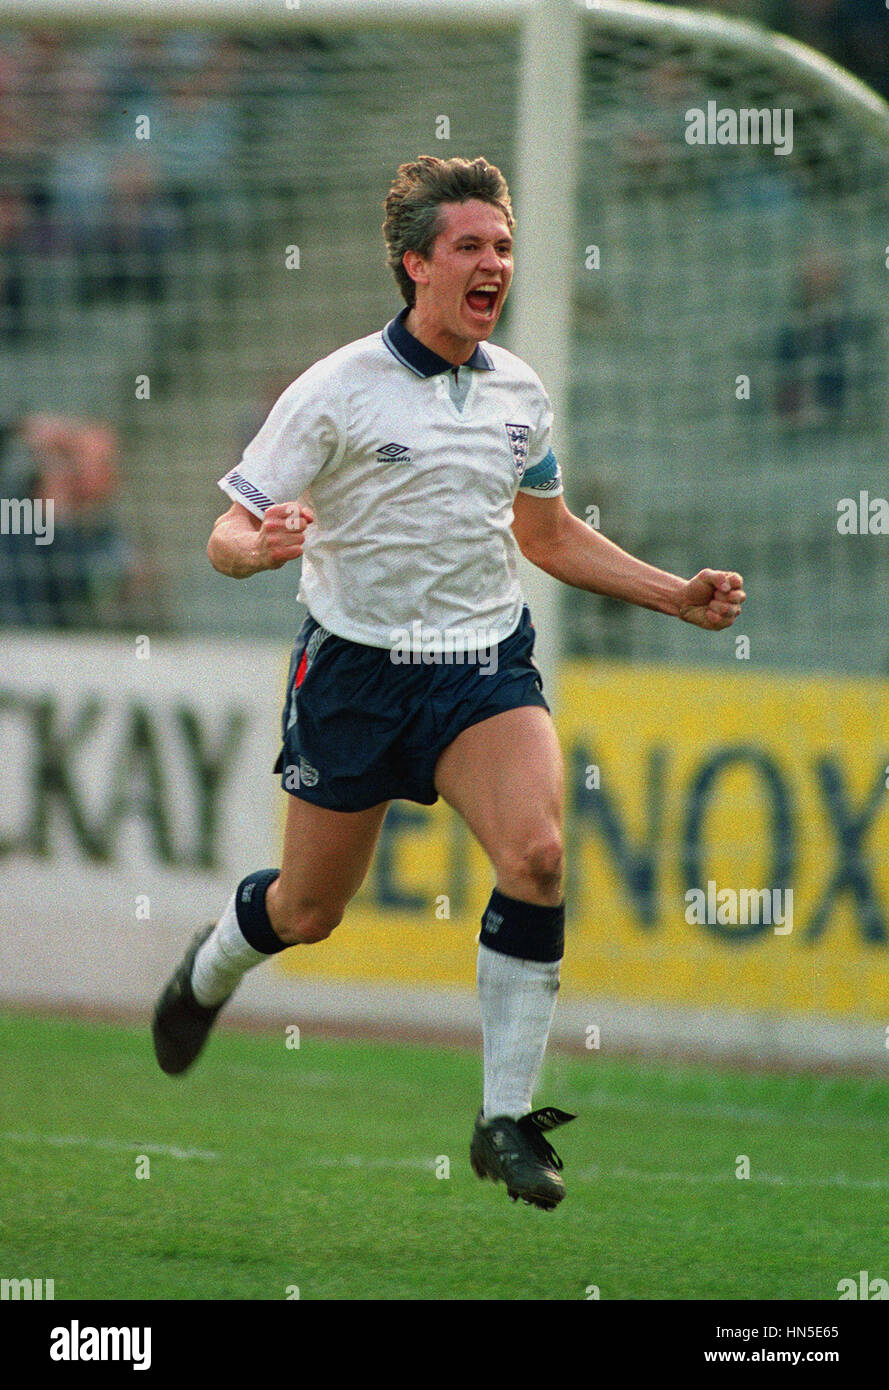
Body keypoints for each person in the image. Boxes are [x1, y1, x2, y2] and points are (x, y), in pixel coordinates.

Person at [152, 155, 745, 1211]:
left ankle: (504, 1118)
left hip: (481, 669)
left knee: (540, 852)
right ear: (414, 263)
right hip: (355, 677)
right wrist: (256, 549)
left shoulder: (519, 392)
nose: (492, 265)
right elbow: (226, 529)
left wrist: (674, 593)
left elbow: (548, 535)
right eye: (469, 246)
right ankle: (208, 970)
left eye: (502, 247)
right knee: (307, 908)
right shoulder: (334, 390)